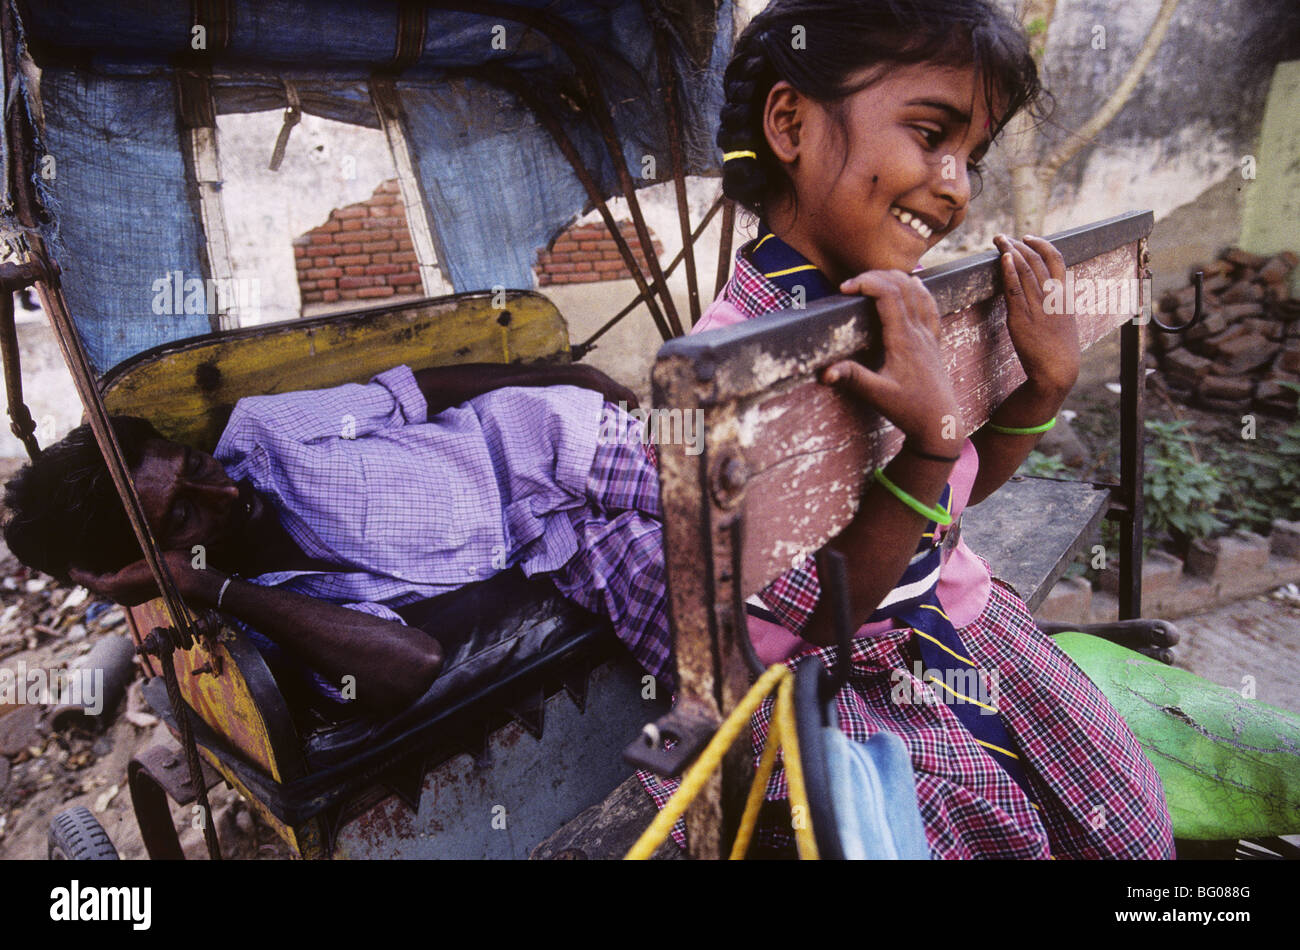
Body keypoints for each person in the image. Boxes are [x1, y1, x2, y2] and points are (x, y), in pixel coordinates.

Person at [635, 0, 1174, 859]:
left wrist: (1042, 387)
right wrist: (928, 443)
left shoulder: (898, 309)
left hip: (959, 626)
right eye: (932, 135)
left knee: (1131, 825)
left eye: (973, 155)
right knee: (991, 833)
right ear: (790, 123)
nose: (958, 184)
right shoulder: (729, 369)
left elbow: (948, 504)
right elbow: (827, 609)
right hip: (830, 685)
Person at [2, 360, 671, 718]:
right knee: (696, 607)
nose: (227, 494)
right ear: (156, 563)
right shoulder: (259, 612)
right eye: (182, 517)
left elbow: (414, 391)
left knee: (733, 520)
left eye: (197, 467)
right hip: (555, 542)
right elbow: (409, 664)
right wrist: (205, 585)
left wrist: (562, 374)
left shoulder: (266, 431)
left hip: (548, 442)